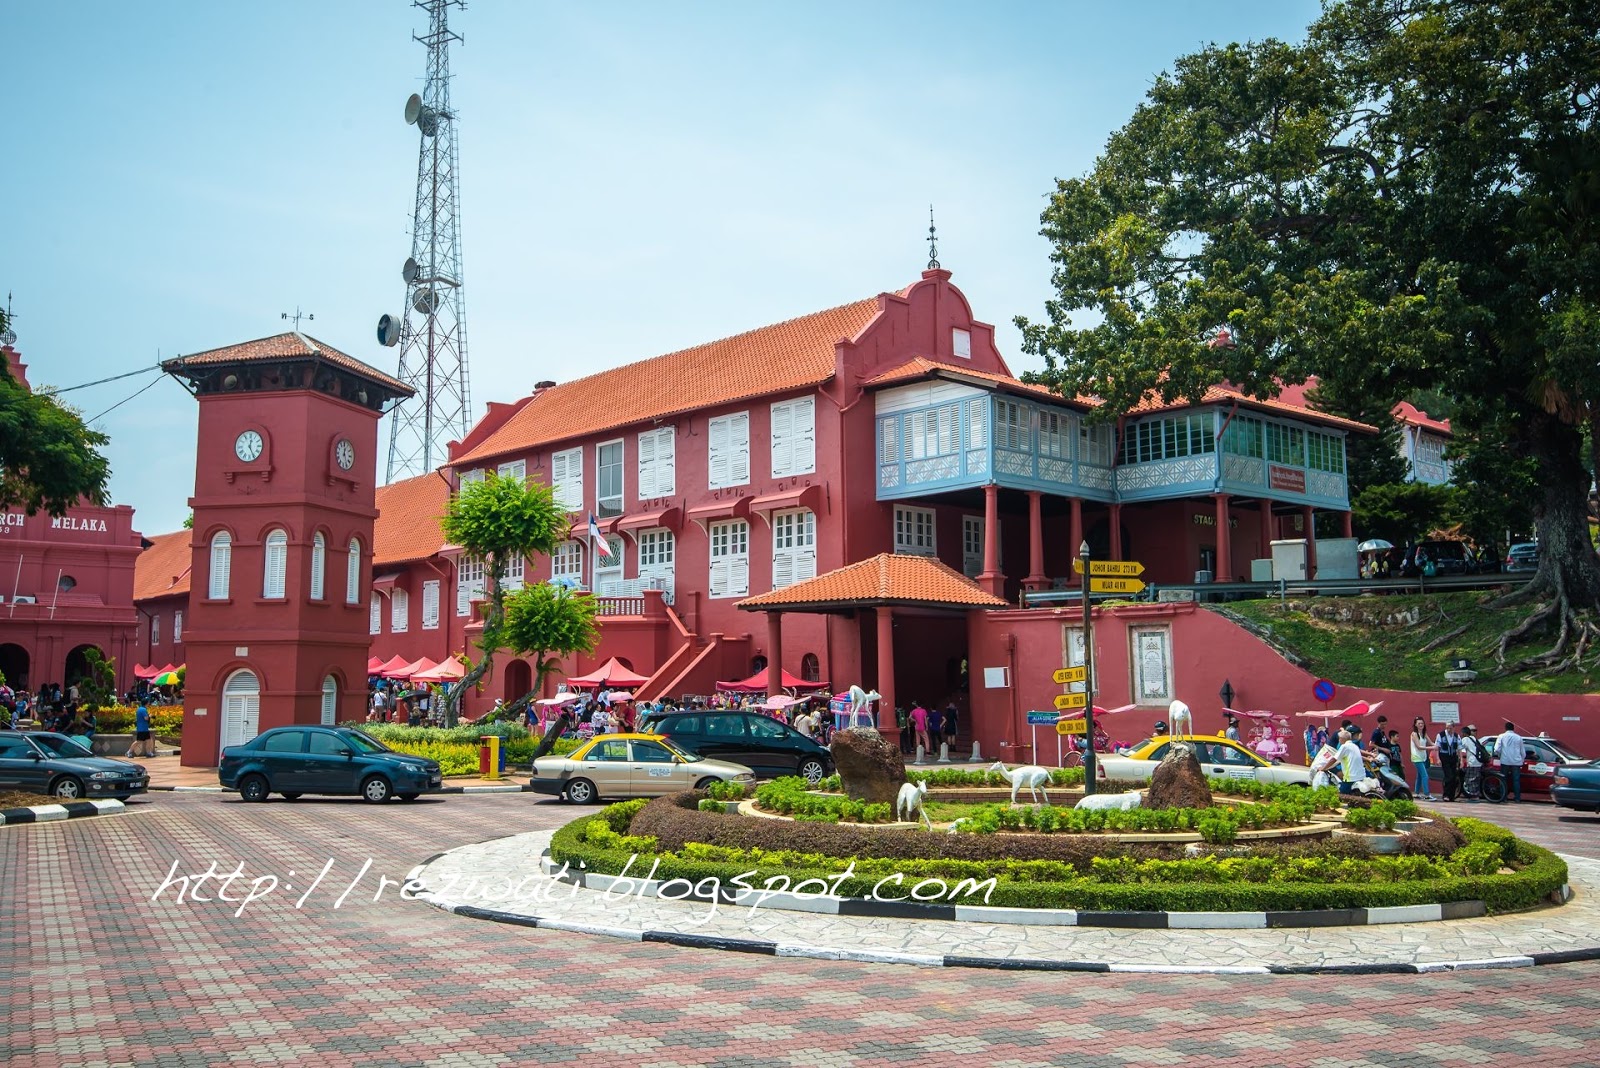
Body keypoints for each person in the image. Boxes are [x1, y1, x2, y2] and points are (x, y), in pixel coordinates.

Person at [1495, 721, 1527, 802]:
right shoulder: (1518, 737)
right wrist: (1522, 760)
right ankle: (1517, 798)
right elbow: (1523, 752)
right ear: (1513, 728)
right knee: (1516, 780)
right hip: (1516, 762)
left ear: (1505, 728)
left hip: (1505, 761)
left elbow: (1496, 749)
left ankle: (1503, 797)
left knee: (1503, 779)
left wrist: (1499, 755)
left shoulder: (1501, 736)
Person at [1408, 717, 1437, 800]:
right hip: (1416, 758)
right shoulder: (1414, 734)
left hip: (1423, 758)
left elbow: (1431, 742)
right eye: (1419, 723)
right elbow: (1419, 747)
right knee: (1425, 776)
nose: (1421, 725)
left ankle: (1416, 793)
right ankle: (1427, 794)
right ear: (1415, 725)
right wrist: (1432, 748)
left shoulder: (1424, 734)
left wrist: (1437, 745)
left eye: (1422, 723)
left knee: (1420, 776)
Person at [1435, 722, 1461, 802]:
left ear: (1454, 728)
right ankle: (1446, 795)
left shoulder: (1457, 736)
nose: (1448, 730)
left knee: (1453, 776)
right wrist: (1438, 759)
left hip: (1453, 757)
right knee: (1448, 776)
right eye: (1447, 728)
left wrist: (1461, 760)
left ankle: (1451, 796)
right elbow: (1437, 748)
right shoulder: (1440, 735)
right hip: (1444, 757)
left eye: (1450, 728)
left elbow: (1459, 749)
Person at [1334, 729, 1366, 794]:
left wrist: (1323, 768)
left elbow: (1334, 759)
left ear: (1342, 739)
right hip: (1361, 776)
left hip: (1350, 778)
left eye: (1339, 738)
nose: (1339, 740)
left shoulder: (1344, 746)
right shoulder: (1355, 746)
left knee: (1342, 794)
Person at [1459, 725, 1483, 801]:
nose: (1461, 735)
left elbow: (1460, 748)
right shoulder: (1474, 739)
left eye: (1462, 733)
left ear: (1465, 733)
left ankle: (1473, 797)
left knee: (1470, 779)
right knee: (1476, 779)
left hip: (1472, 762)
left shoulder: (1465, 739)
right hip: (1479, 762)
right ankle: (1476, 795)